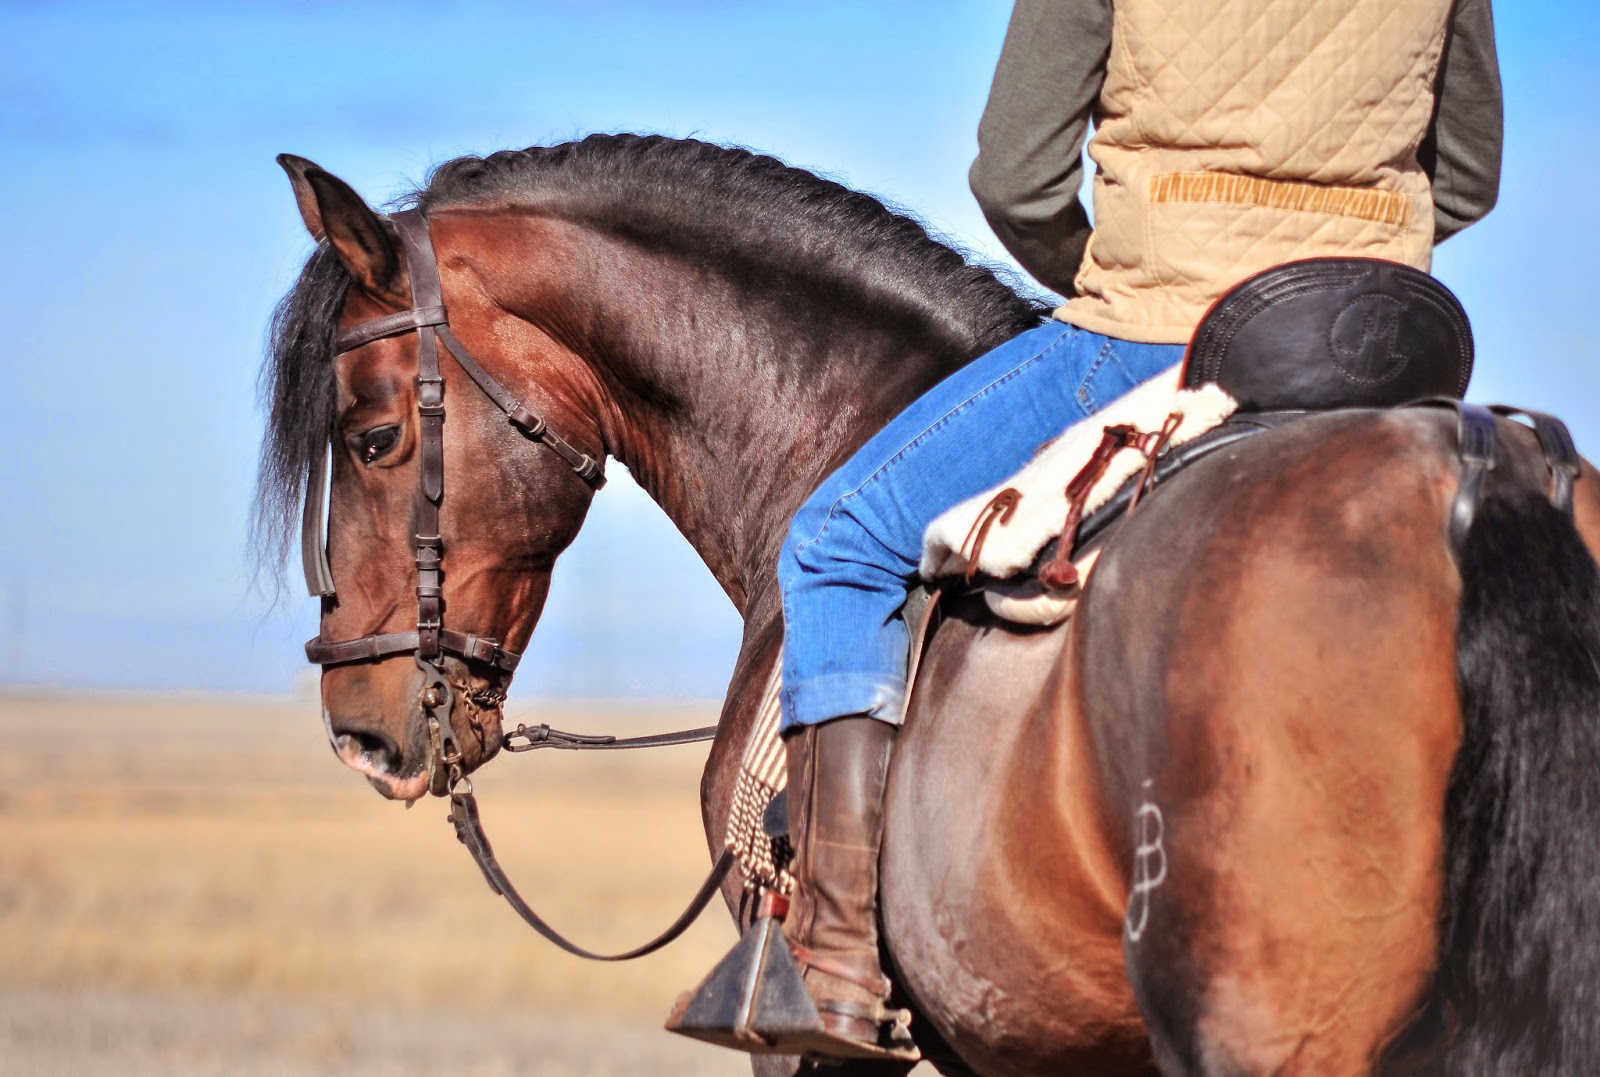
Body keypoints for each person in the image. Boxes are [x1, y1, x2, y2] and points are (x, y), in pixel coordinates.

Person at [754, 0, 1500, 1058]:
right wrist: (1346, 254)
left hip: (1160, 326)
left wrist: (1127, 273)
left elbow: (1016, 179)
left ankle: (830, 965)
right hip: (1378, 341)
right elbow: (1468, 172)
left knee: (839, 540)